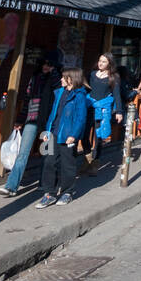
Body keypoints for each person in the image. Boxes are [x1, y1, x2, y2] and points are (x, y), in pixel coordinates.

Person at [0, 55, 58, 197]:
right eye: (44, 63)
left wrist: (54, 72)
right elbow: (27, 100)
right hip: (31, 118)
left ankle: (44, 183)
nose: (45, 66)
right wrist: (19, 120)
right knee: (22, 152)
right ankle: (11, 186)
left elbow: (57, 91)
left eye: (49, 64)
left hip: (48, 121)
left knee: (46, 153)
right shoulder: (34, 79)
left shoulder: (56, 79)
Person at [36, 68, 88, 207]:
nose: (61, 80)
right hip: (54, 132)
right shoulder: (59, 93)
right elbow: (53, 114)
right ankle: (49, 193)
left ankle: (67, 192)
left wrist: (74, 135)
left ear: (71, 79)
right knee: (49, 162)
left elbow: (80, 118)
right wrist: (47, 131)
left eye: (64, 77)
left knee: (67, 165)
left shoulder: (79, 96)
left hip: (67, 135)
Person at [84, 51, 123, 171]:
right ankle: (87, 157)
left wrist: (119, 111)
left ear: (109, 63)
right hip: (90, 106)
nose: (100, 63)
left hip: (103, 109)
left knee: (98, 136)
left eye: (104, 62)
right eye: (100, 61)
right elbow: (87, 89)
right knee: (84, 134)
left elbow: (117, 95)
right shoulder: (92, 74)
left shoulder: (113, 77)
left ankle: (95, 162)